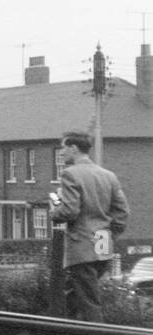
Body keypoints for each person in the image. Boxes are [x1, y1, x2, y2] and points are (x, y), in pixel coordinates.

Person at [50, 131, 130, 322]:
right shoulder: (108, 175)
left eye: (63, 148)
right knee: (75, 292)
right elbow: (122, 212)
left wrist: (54, 212)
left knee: (87, 297)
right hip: (102, 243)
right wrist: (110, 234)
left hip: (81, 244)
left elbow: (70, 211)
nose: (61, 153)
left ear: (73, 148)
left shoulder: (70, 174)